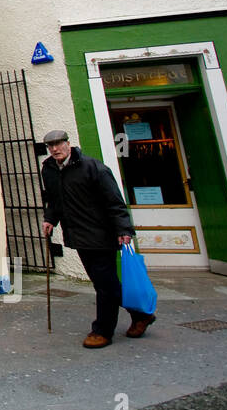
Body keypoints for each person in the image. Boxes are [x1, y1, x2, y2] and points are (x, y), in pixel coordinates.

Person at [40, 129, 156, 348]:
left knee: (104, 286)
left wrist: (124, 230)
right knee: (106, 284)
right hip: (78, 235)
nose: (54, 149)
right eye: (50, 146)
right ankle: (141, 315)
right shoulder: (50, 170)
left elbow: (114, 200)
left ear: (68, 143)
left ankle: (102, 331)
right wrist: (50, 219)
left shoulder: (93, 168)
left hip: (101, 235)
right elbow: (55, 200)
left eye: (58, 144)